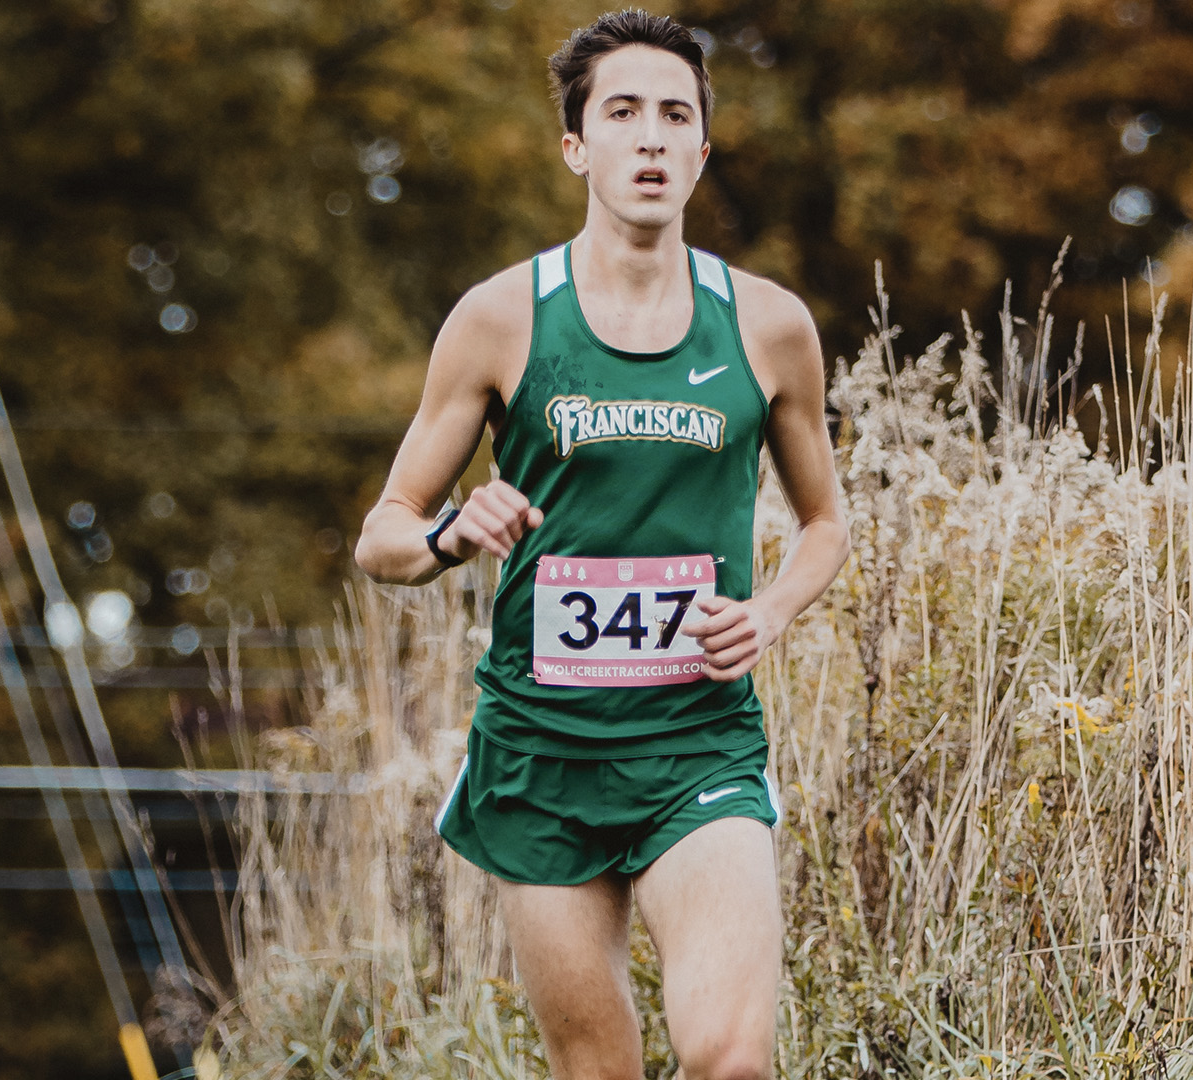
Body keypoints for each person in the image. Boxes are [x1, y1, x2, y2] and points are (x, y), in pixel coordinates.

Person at [353, 10, 849, 1078]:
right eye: (622, 113)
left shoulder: (766, 327)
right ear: (578, 145)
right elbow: (381, 539)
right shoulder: (498, 319)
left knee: (730, 1057)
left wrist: (767, 611)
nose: (653, 138)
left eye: (677, 116)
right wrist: (449, 533)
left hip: (698, 746)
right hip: (540, 756)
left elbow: (823, 524)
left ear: (703, 153)